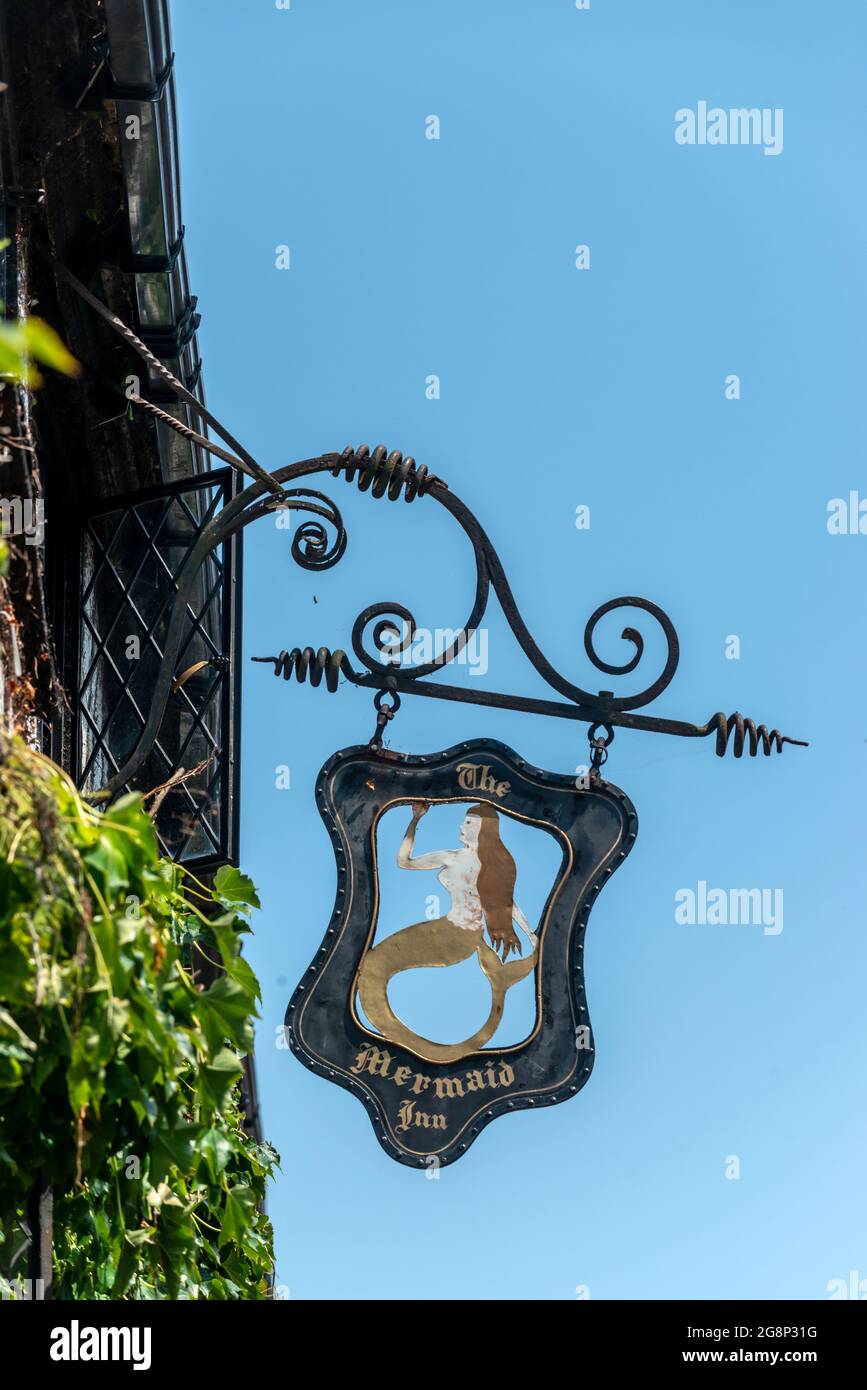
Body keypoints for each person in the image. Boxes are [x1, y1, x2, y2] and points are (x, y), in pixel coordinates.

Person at [356, 801, 538, 1064]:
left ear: (484, 828)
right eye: (463, 821)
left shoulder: (493, 864)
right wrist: (415, 819)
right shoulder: (451, 856)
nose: (461, 826)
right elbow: (404, 861)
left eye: (468, 822)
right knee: (373, 968)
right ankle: (414, 1046)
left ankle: (420, 1047)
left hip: (459, 938)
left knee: (374, 966)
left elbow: (507, 903)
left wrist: (531, 935)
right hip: (445, 927)